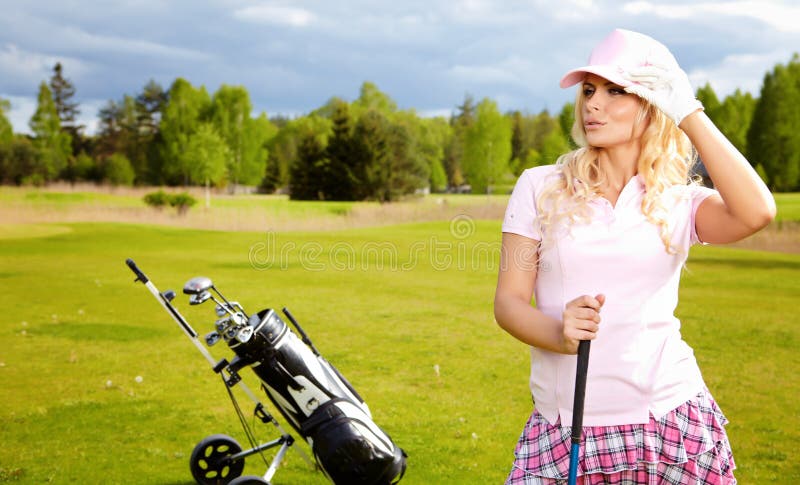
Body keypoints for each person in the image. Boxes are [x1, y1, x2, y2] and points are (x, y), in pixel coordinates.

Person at [494, 28, 775, 484]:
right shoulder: (539, 186)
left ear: (651, 104)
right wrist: (558, 332)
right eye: (589, 91)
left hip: (669, 420)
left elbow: (757, 211)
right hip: (566, 428)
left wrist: (688, 112)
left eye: (615, 91)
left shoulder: (677, 201)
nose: (593, 104)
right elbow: (507, 303)